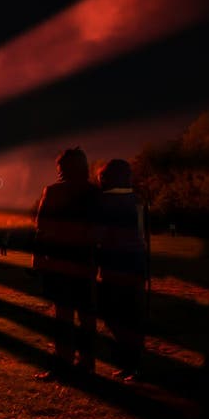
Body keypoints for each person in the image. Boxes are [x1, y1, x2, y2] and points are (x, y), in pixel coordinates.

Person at [32, 147, 100, 380]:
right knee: (86, 315)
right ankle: (87, 362)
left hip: (60, 262)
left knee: (63, 314)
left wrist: (39, 257)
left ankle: (63, 361)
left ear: (62, 169)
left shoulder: (53, 192)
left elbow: (42, 227)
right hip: (86, 261)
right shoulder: (95, 193)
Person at [96, 159, 149, 382]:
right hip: (133, 263)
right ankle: (131, 364)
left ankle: (131, 364)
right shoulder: (134, 200)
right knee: (129, 314)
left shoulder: (107, 202)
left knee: (116, 314)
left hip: (116, 263)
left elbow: (102, 233)